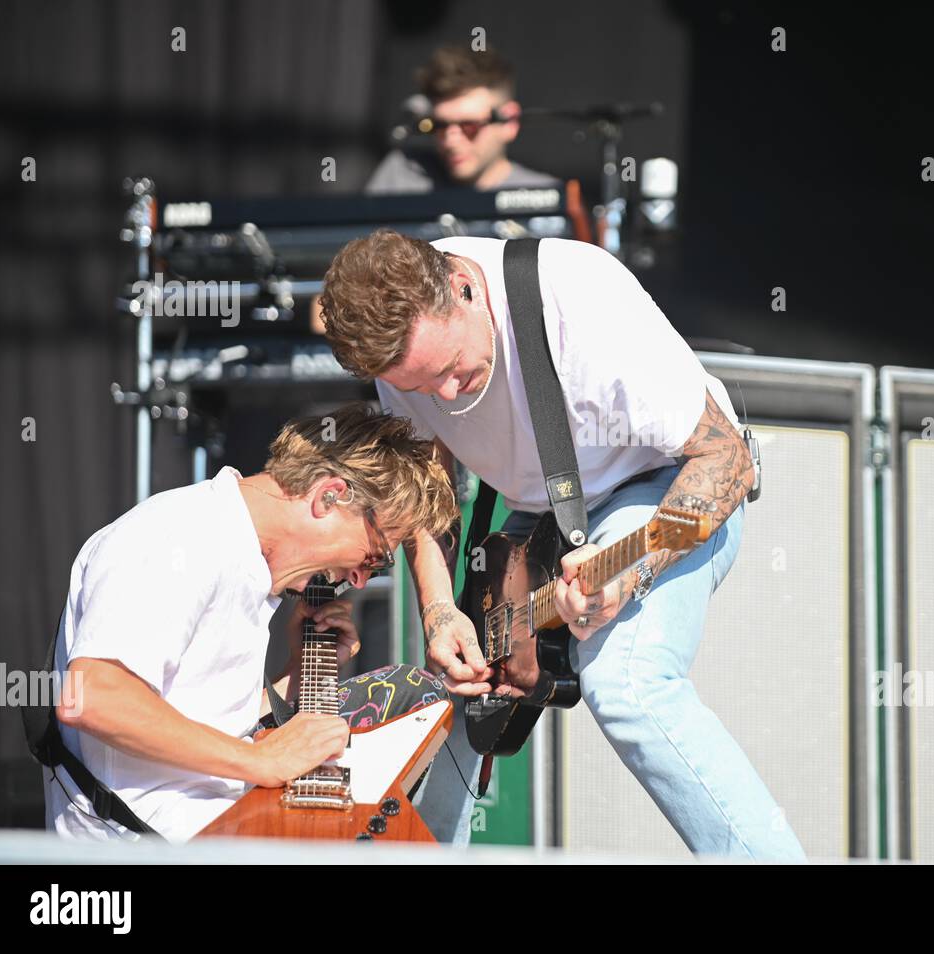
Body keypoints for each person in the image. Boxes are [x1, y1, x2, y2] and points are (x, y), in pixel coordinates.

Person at [319, 230, 806, 860]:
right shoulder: (404, 350)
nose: (444, 396)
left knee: (625, 681)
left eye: (447, 371)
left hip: (663, 486)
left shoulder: (578, 299)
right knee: (459, 691)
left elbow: (727, 462)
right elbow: (429, 485)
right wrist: (440, 611)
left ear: (465, 290)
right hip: (538, 507)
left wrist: (629, 572)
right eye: (419, 388)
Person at [43, 404, 458, 842]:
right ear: (329, 497)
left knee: (414, 693)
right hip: (150, 843)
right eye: (376, 555)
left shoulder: (246, 563)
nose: (359, 577)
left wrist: (294, 676)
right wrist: (257, 761)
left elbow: (200, 717)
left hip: (223, 822)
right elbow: (94, 697)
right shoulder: (179, 537)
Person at [367, 45, 560, 194]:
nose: (451, 141)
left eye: (469, 126)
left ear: (510, 122)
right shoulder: (402, 174)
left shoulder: (547, 194)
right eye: (440, 126)